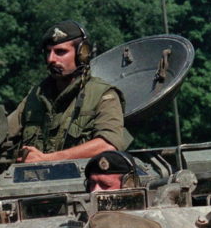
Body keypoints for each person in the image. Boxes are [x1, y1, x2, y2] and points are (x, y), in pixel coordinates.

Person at [8, 20, 130, 163]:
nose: (51, 59)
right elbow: (1, 134)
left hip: (82, 182)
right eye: (48, 52)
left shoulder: (103, 95)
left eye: (60, 52)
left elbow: (108, 145)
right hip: (32, 182)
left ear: (82, 54)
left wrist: (47, 159)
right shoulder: (36, 95)